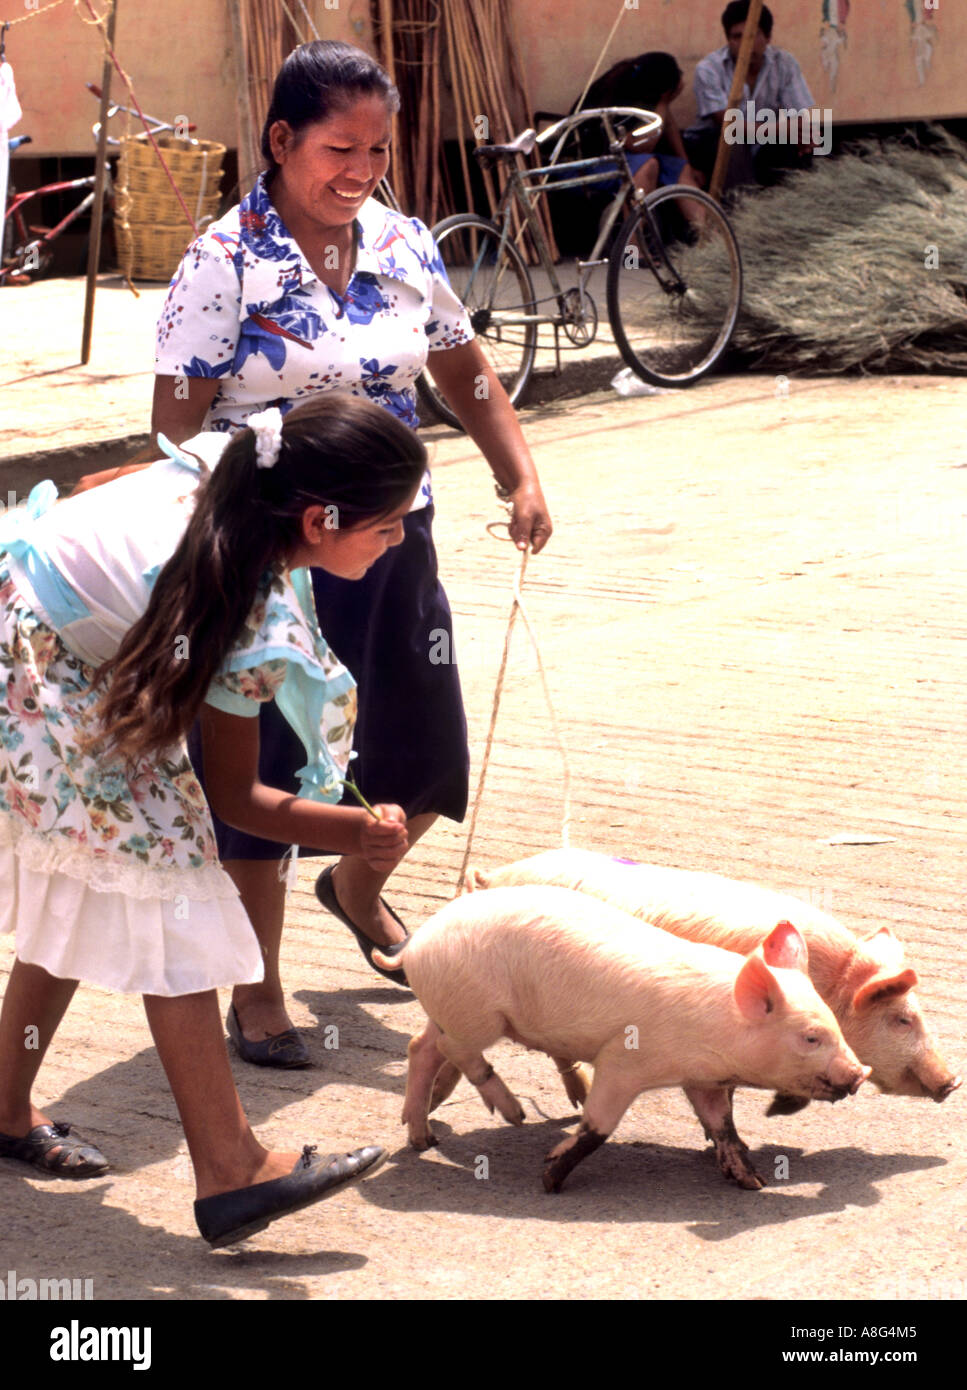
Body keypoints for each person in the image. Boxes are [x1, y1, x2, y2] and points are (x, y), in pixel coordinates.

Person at [147, 40, 552, 1067]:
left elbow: (462, 372)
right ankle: (259, 991)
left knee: (426, 747)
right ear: (281, 142)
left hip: (390, 535)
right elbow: (175, 432)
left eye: (377, 149)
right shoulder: (223, 261)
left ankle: (357, 883)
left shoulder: (404, 242)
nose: (360, 169)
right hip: (273, 558)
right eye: (338, 148)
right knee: (271, 766)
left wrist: (519, 473)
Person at [0, 394, 425, 1246]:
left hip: (40, 630)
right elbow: (234, 801)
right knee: (170, 890)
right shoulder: (237, 602)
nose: (401, 542)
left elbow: (98, 486)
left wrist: (352, 835)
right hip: (37, 665)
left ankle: (4, 1106)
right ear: (319, 519)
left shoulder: (239, 476)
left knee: (103, 871)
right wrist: (353, 833)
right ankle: (231, 1169)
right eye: (386, 527)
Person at [685, 1, 817, 189]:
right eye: (737, 37)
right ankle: (739, 209)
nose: (744, 44)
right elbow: (728, 125)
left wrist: (798, 132)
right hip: (713, 143)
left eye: (752, 36)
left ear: (768, 37)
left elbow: (802, 117)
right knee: (733, 144)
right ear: (728, 39)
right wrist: (782, 129)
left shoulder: (784, 63)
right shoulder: (709, 69)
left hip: (764, 139)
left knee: (805, 143)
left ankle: (787, 209)